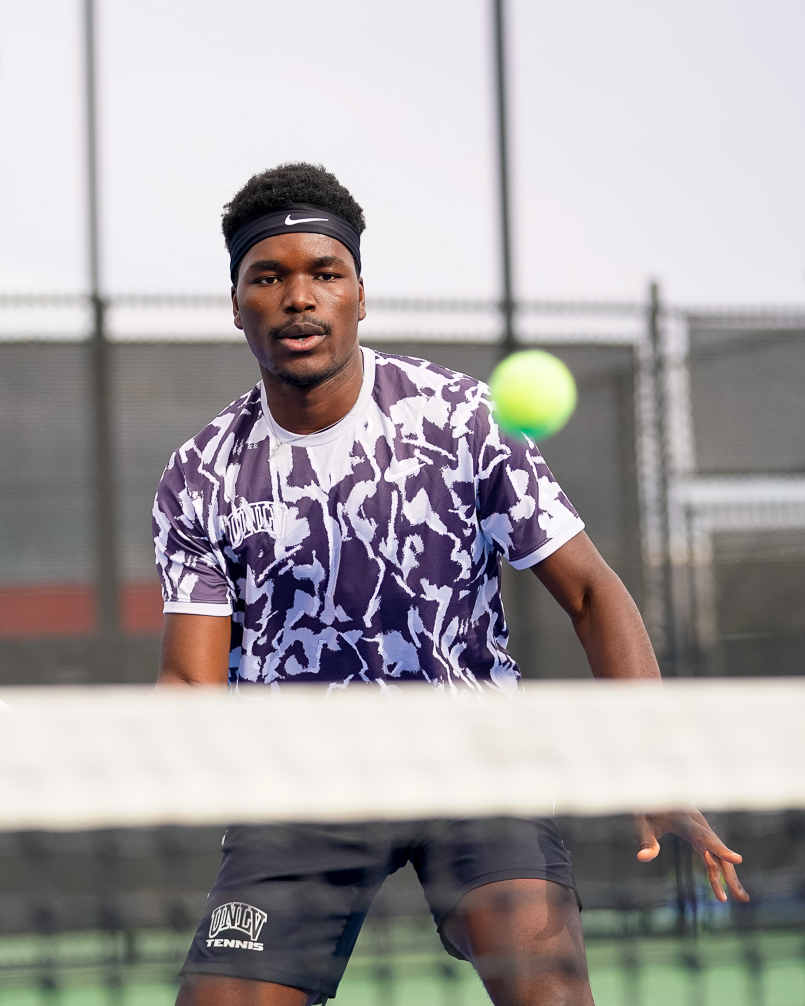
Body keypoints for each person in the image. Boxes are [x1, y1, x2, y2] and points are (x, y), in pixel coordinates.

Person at [153, 162, 747, 1006]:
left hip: (472, 763)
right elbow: (189, 678)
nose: (298, 296)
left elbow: (589, 590)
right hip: (297, 787)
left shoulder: (460, 420)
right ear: (238, 301)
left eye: (324, 273)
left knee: (544, 976)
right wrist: (115, 748)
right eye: (268, 276)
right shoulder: (200, 475)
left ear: (360, 294)